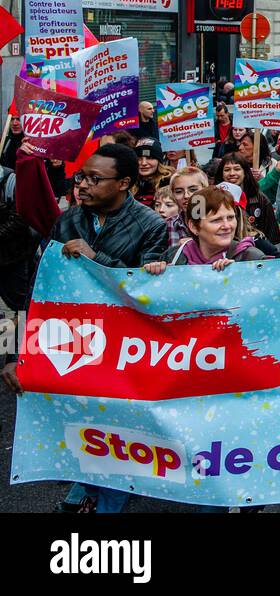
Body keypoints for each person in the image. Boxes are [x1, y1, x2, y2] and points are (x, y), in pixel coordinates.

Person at [34, 144, 170, 513]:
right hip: (77, 341)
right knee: (86, 422)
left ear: (124, 183)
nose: (83, 185)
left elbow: (148, 294)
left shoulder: (152, 225)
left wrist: (99, 261)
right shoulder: (68, 220)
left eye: (96, 179)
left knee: (122, 426)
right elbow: (46, 283)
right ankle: (84, 486)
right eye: (81, 177)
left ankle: (105, 502)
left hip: (125, 346)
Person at [143, 186, 268, 272]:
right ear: (194, 227)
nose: (227, 226)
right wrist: (156, 276)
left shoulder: (251, 258)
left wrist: (236, 276)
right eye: (216, 220)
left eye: (230, 218)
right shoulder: (173, 257)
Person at [220, 153, 280, 252]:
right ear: (221, 174)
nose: (232, 173)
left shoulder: (261, 199)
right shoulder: (214, 200)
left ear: (245, 172)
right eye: (227, 170)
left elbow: (273, 237)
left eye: (237, 169)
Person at [165, 166, 209, 246]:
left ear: (205, 189)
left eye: (193, 190)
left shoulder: (220, 219)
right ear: (173, 195)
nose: (186, 196)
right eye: (179, 191)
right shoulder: (167, 225)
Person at [133, 141, 172, 208]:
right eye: (139, 158)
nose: (143, 163)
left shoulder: (169, 183)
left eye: (149, 158)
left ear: (159, 161)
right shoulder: (128, 184)